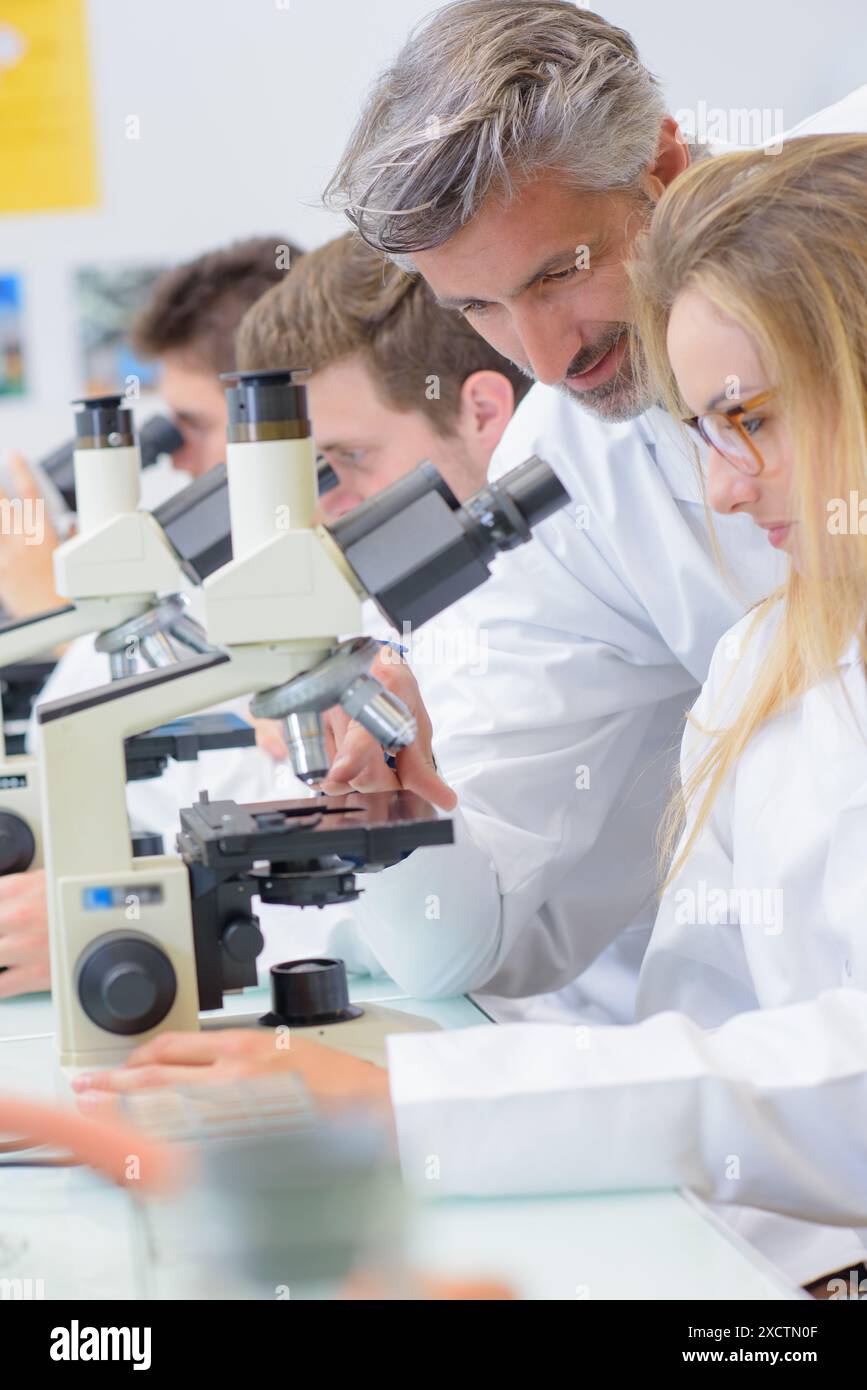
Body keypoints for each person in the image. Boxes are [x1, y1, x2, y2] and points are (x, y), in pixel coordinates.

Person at [85, 133, 867, 1297]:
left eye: (748, 416)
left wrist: (422, 1102)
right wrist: (411, 829)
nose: (722, 483)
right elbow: (702, 1042)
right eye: (704, 429)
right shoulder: (767, 657)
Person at [0, 231, 528, 997]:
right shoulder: (285, 592)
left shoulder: (476, 611)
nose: (182, 465)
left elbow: (451, 930)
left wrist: (159, 923)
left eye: (199, 427)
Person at [0, 237, 303, 999]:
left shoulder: (321, 573)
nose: (184, 461)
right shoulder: (229, 571)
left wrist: (52, 609)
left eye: (194, 427)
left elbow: (253, 799)